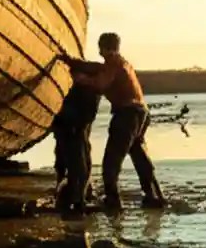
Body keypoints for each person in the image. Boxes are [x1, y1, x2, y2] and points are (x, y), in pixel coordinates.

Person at [61, 33, 167, 212]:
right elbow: (96, 68)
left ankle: (113, 201)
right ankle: (154, 196)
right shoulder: (122, 63)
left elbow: (101, 83)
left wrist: (81, 79)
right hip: (141, 113)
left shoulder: (113, 63)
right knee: (139, 156)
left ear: (102, 47)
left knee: (111, 160)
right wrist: (72, 61)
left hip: (126, 114)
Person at [52, 80, 101, 215]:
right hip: (71, 128)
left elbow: (87, 117)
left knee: (78, 164)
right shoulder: (88, 90)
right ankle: (76, 198)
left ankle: (77, 199)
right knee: (78, 164)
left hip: (73, 129)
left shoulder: (87, 91)